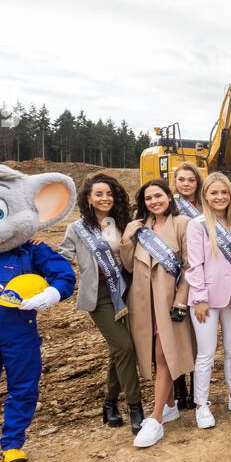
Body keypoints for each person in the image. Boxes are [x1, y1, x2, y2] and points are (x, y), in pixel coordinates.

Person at [58, 174, 144, 435]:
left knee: (119, 351)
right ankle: (135, 408)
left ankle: (109, 403)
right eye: (99, 194)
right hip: (100, 297)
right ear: (88, 198)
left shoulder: (121, 222)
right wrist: (38, 252)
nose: (104, 198)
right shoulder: (77, 229)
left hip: (127, 292)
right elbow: (63, 255)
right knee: (126, 347)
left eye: (109, 193)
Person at [120, 178, 195, 448]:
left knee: (164, 356)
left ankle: (156, 418)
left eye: (158, 195)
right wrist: (126, 239)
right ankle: (171, 404)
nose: (154, 201)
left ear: (168, 197)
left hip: (168, 302)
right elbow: (127, 266)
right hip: (143, 303)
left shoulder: (182, 223)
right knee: (152, 356)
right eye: (149, 198)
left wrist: (181, 300)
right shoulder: (140, 228)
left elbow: (189, 266)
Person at [185, 172, 231, 428]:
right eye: (214, 193)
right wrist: (199, 298)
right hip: (206, 299)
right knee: (207, 353)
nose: (220, 197)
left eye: (224, 193)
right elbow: (194, 265)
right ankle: (201, 404)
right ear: (206, 196)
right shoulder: (197, 224)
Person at [169, 162, 205, 410]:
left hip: (201, 276)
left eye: (191, 180)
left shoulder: (205, 205)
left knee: (198, 337)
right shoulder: (169, 206)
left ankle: (196, 390)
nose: (186, 184)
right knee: (179, 335)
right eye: (182, 179)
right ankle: (179, 388)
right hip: (178, 276)